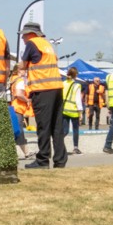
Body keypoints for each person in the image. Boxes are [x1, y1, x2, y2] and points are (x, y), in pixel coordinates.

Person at [18, 21, 66, 169]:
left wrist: (17, 67)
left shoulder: (32, 43)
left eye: (24, 35)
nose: (22, 38)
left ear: (31, 34)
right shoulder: (47, 45)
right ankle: (60, 160)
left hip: (43, 89)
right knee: (56, 127)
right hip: (56, 88)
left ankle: (43, 160)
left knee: (43, 126)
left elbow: (23, 65)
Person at [8, 69, 32, 158]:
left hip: (11, 106)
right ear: (19, 70)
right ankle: (26, 153)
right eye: (24, 70)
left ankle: (26, 152)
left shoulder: (12, 79)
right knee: (18, 131)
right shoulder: (20, 80)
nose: (25, 71)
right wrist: (27, 100)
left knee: (14, 130)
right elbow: (19, 94)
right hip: (17, 107)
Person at [61, 65, 82, 155]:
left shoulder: (63, 83)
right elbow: (78, 100)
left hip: (64, 109)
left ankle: (59, 144)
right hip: (74, 111)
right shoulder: (77, 85)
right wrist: (80, 113)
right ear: (75, 75)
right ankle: (75, 148)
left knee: (65, 130)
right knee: (75, 129)